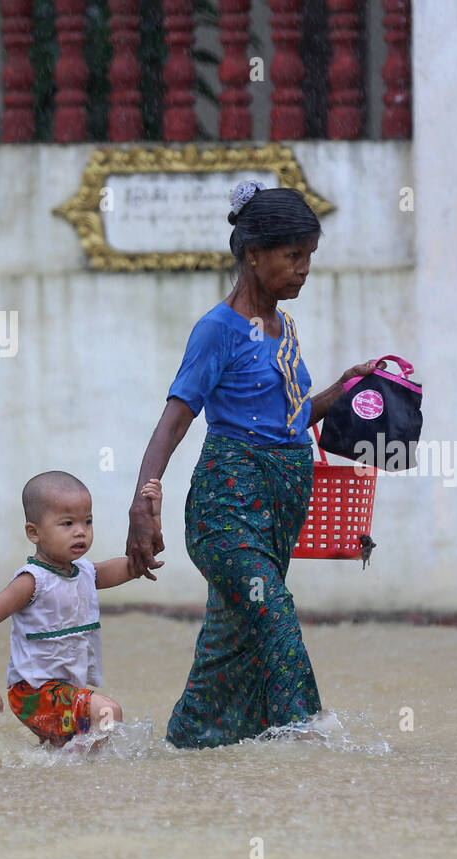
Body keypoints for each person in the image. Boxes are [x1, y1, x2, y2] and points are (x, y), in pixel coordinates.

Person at [125, 180, 385, 749]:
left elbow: (289, 419)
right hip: (227, 505)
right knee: (272, 612)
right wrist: (144, 502)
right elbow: (174, 419)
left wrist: (345, 387)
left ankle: (188, 743)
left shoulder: (283, 328)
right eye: (293, 256)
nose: (304, 269)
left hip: (279, 506)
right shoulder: (217, 329)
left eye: (309, 256)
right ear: (252, 254)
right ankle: (309, 740)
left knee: (233, 640)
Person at [0, 470, 163, 746]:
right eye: (67, 523)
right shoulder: (32, 581)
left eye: (87, 521)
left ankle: (74, 781)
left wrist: (153, 517)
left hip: (65, 690)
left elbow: (137, 564)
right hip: (33, 692)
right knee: (109, 712)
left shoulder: (86, 573)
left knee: (64, 753)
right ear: (33, 532)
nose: (80, 531)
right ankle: (95, 777)